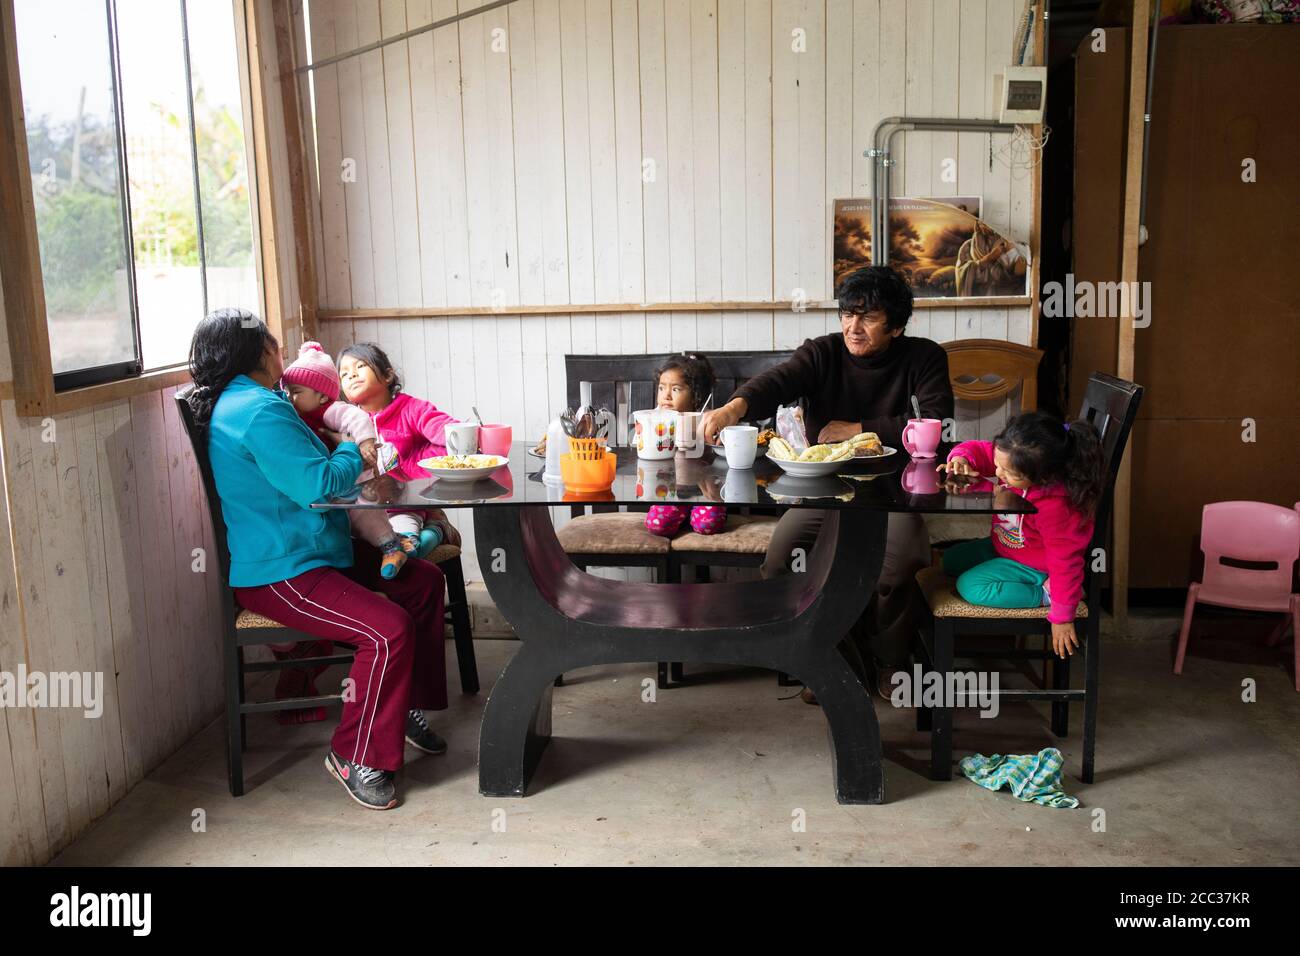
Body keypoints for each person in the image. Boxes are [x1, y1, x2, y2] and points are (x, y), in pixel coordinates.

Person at [190, 309, 451, 810]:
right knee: (387, 629)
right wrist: (356, 446)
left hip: (315, 549)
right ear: (258, 353)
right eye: (274, 346)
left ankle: (402, 710)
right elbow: (318, 483)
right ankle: (354, 755)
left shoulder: (253, 401)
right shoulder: (258, 411)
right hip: (282, 570)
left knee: (421, 581)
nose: (281, 356)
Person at [700, 265, 955, 700]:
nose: (853, 327)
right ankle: (829, 657)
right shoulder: (822, 352)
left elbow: (938, 424)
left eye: (868, 317)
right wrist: (734, 408)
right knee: (785, 556)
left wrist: (858, 428)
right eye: (847, 314)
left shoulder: (924, 357)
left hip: (894, 493)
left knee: (902, 565)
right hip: (825, 488)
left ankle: (889, 659)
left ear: (895, 325)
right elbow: (778, 381)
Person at [938, 412, 1105, 658]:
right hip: (1005, 547)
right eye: (998, 463)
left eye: (1009, 473)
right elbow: (979, 451)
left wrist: (1062, 616)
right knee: (949, 561)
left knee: (970, 585)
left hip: (1035, 566)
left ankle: (1044, 594)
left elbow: (1066, 561)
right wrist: (962, 458)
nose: (998, 472)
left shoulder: (1056, 507)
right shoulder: (1012, 458)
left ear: (1043, 477)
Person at [281, 341, 413, 580]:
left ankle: (391, 546)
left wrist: (364, 443)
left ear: (322, 396)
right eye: (288, 391)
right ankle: (392, 541)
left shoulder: (329, 410)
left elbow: (357, 417)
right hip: (337, 482)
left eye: (297, 392)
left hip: (356, 477)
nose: (290, 397)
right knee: (353, 520)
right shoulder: (297, 415)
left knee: (365, 515)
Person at [336, 343, 459, 558]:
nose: (352, 375)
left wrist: (409, 467)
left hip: (404, 509)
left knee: (404, 552)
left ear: (387, 376)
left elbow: (451, 437)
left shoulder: (412, 409)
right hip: (362, 513)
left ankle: (437, 530)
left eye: (360, 366)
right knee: (356, 554)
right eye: (344, 373)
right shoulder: (343, 422)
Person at [644, 352, 726, 537]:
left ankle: (694, 513)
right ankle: (681, 513)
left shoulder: (708, 419)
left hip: (705, 488)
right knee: (657, 525)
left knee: (708, 523)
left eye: (675, 389)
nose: (666, 395)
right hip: (669, 489)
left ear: (696, 396)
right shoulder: (654, 420)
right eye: (661, 388)